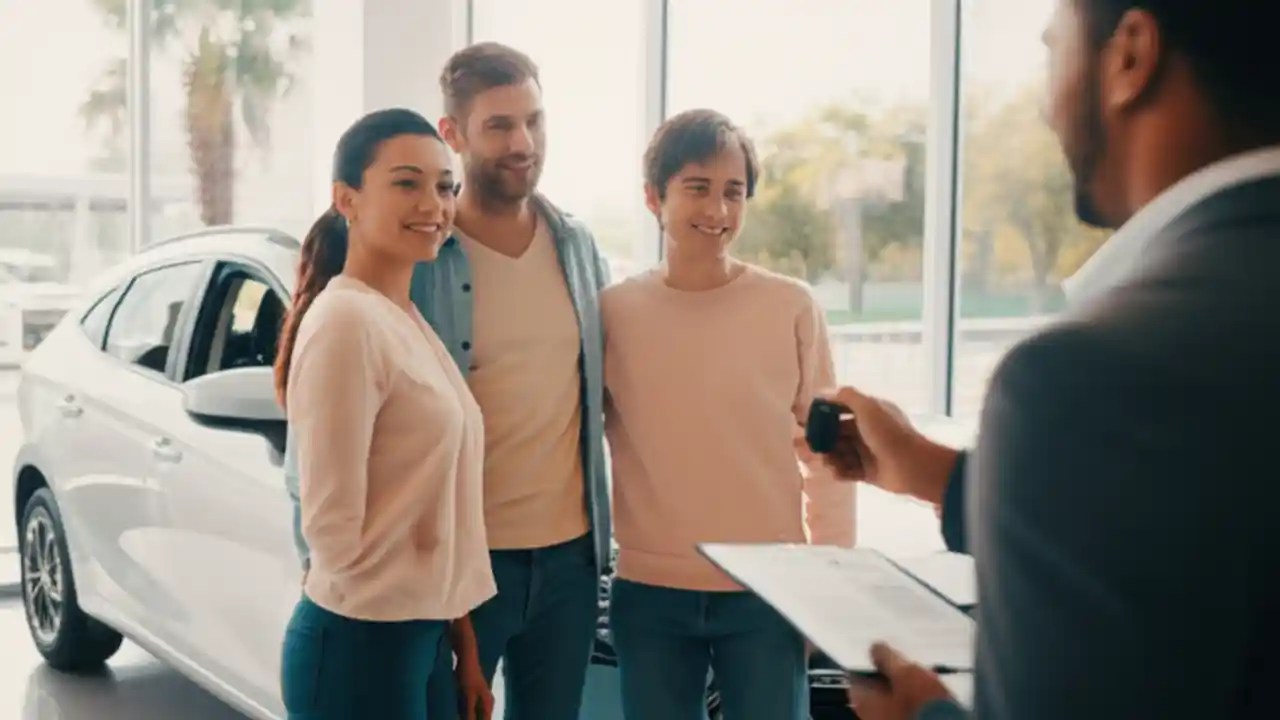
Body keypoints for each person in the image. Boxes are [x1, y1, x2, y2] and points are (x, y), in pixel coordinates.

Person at [815, 2, 1280, 719]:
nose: (1044, 106)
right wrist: (930, 471)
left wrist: (925, 715)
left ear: (1129, 56)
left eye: (1052, 49)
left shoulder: (1086, 378)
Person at [601, 109, 856, 720]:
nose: (717, 211)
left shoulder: (790, 306)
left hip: (770, 589)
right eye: (697, 188)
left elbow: (829, 455)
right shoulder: (613, 313)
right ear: (652, 197)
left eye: (733, 192)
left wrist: (830, 583)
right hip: (651, 592)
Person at [274, 108, 496, 719]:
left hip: (416, 639)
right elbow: (331, 531)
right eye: (406, 182)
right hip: (361, 644)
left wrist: (462, 647)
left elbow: (439, 506)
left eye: (445, 186)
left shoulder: (402, 318)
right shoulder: (347, 321)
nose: (434, 203)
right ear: (347, 198)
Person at [428, 41, 611, 719]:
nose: (524, 142)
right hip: (463, 567)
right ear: (452, 133)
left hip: (570, 561)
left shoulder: (578, 247)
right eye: (500, 125)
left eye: (534, 121)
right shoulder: (426, 261)